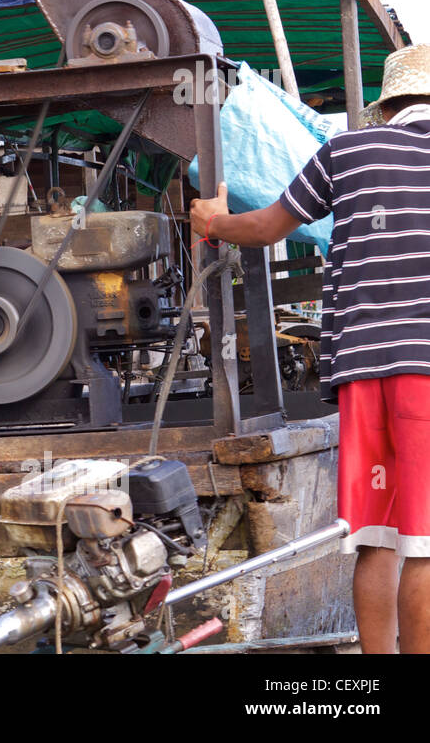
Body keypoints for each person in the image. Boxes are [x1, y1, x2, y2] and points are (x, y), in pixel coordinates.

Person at [189, 43, 430, 653]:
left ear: (387, 107)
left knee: (376, 537)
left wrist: (214, 220)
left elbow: (267, 227)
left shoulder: (347, 151)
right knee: (425, 543)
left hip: (358, 366)